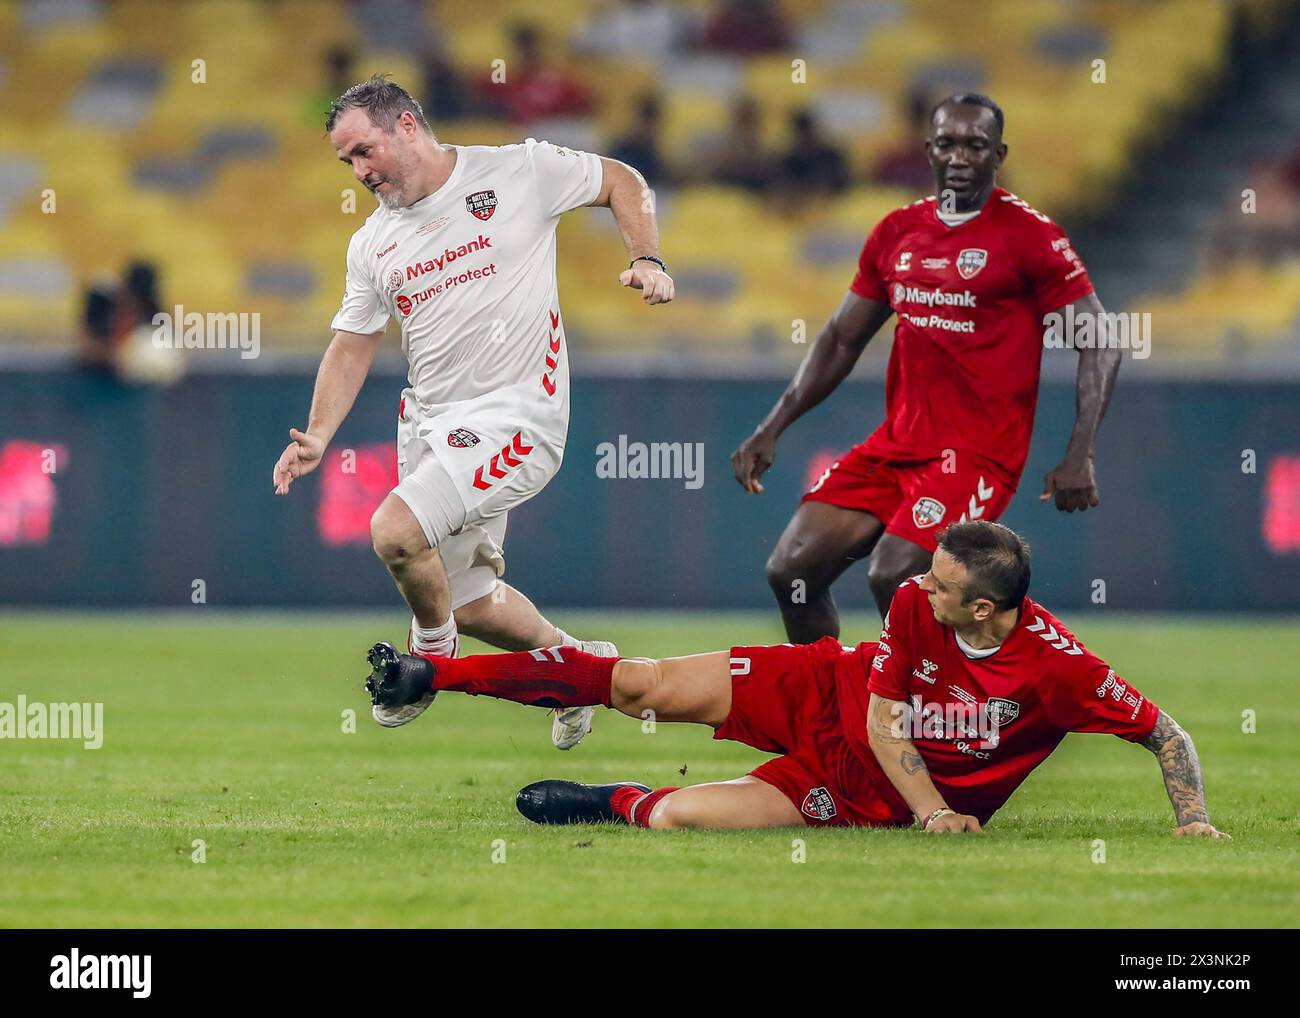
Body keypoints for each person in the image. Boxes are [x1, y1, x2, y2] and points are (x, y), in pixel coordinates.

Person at [363, 521, 1228, 838]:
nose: (917, 587)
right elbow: (888, 719)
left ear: (987, 609)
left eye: (941, 585)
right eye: (927, 572)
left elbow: (1167, 734)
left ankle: (612, 801)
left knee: (680, 817)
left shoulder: (1061, 670)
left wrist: (1192, 821)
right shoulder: (916, 611)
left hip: (862, 797)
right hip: (825, 693)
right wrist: (936, 811)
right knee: (636, 683)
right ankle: (436, 673)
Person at [272, 76, 674, 749]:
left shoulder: (519, 171)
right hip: (434, 425)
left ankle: (431, 659)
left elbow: (622, 180)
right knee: (474, 603)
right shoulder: (372, 245)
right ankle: (582, 669)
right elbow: (351, 343)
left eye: (365, 151)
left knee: (395, 532)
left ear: (405, 125)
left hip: (521, 416)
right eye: (348, 163)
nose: (360, 172)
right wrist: (317, 433)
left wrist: (648, 257)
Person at [731, 93, 1121, 641]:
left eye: (975, 145)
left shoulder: (1030, 235)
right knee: (791, 569)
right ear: (929, 151)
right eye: (947, 144)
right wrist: (772, 426)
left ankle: (935, 715)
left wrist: (1080, 453)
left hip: (979, 452)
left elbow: (1102, 342)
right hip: (898, 444)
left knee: (896, 575)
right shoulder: (897, 232)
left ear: (998, 154)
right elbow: (842, 338)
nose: (960, 155)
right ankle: (831, 716)